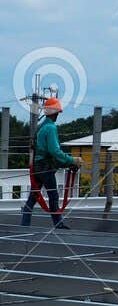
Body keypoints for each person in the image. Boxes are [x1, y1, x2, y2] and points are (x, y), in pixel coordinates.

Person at [25, 96, 79, 229]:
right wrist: (72, 160)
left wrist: (67, 161)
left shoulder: (41, 127)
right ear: (55, 113)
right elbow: (55, 151)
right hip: (45, 166)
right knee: (53, 195)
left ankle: (24, 224)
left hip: (37, 167)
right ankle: (58, 224)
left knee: (34, 196)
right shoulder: (51, 128)